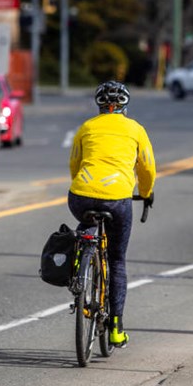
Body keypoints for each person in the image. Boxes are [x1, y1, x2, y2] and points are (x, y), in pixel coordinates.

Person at [68, 80, 156, 348]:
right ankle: (116, 328)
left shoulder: (86, 127)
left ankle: (79, 268)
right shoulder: (136, 129)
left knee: (85, 225)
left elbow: (74, 163)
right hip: (117, 198)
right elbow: (147, 169)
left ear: (99, 105)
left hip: (81, 193)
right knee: (116, 260)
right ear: (125, 106)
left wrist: (83, 187)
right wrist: (147, 192)